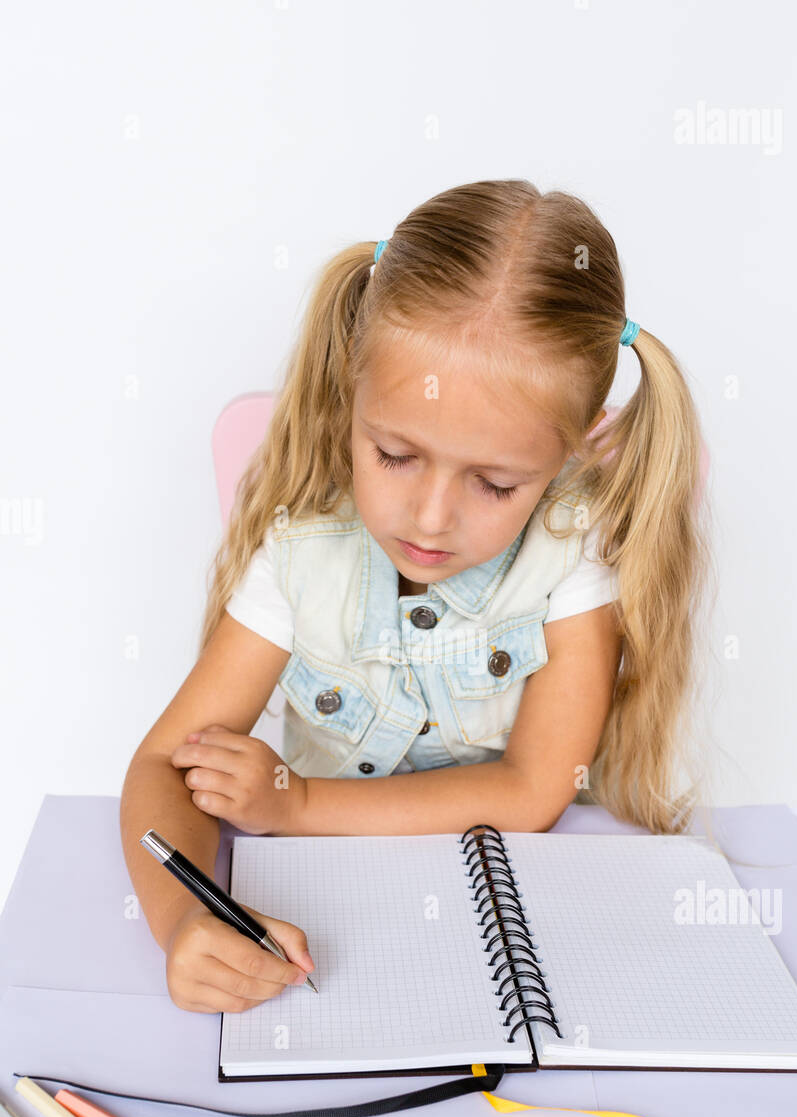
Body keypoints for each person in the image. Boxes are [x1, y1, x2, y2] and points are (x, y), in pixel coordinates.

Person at [120, 178, 710, 1014]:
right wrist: (184, 922)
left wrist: (299, 801)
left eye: (497, 483)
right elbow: (159, 767)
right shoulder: (299, 558)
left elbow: (534, 787)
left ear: (566, 454)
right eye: (395, 455)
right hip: (328, 930)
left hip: (517, 929)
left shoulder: (573, 556)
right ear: (351, 399)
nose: (432, 519)